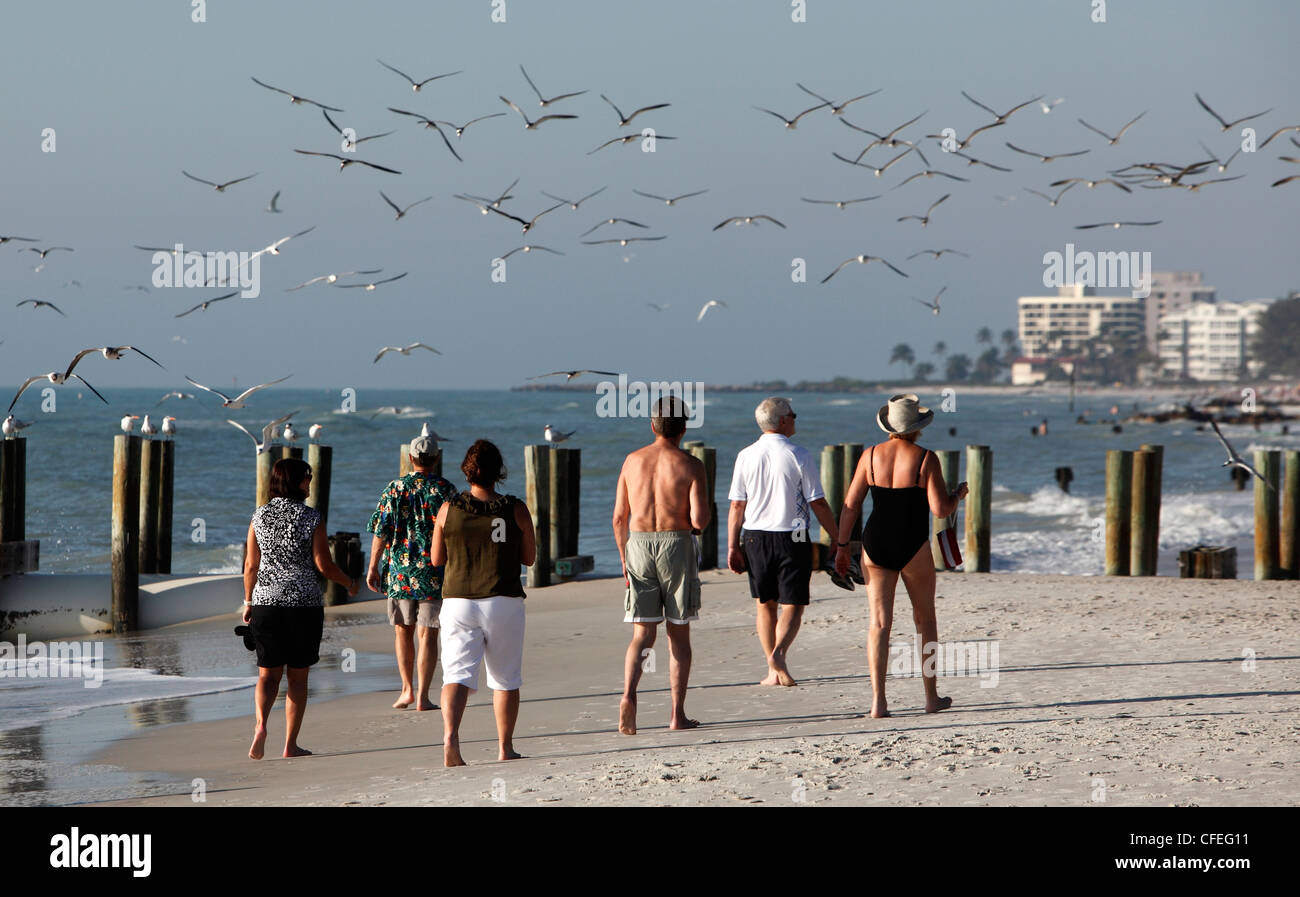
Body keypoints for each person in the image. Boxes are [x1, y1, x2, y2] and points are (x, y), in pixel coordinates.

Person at [834, 395, 967, 719]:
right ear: (918, 427)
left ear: (889, 424)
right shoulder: (925, 459)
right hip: (912, 544)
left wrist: (840, 547)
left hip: (875, 543)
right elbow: (939, 510)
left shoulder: (870, 456)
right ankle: (931, 697)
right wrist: (957, 496)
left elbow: (851, 505)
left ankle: (878, 702)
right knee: (926, 620)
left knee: (879, 623)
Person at [242, 457, 359, 760]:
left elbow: (251, 566)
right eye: (307, 477)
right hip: (303, 605)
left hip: (266, 602)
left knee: (267, 675)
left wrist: (249, 601)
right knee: (298, 676)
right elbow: (324, 565)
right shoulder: (311, 517)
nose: (310, 482)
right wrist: (348, 582)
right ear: (295, 481)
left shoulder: (259, 516)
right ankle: (290, 745)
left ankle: (260, 726)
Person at [431, 439, 536, 766]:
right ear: (498, 473)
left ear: (467, 471)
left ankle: (451, 738)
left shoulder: (448, 509)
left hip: (458, 600)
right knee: (505, 678)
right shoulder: (515, 508)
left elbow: (436, 558)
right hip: (502, 599)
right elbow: (529, 559)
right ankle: (505, 747)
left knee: (456, 675)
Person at [612, 396, 709, 735]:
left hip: (638, 544)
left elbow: (619, 518)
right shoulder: (691, 464)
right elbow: (699, 520)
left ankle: (628, 695)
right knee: (678, 634)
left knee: (642, 633)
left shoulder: (631, 461)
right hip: (676, 544)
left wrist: (625, 560)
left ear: (652, 426)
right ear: (684, 428)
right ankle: (676, 714)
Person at [727, 397, 839, 687]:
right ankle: (778, 655)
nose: (795, 418)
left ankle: (771, 669)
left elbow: (737, 506)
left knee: (765, 604)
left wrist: (731, 546)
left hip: (754, 537)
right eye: (793, 415)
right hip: (795, 535)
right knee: (794, 604)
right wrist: (838, 538)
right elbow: (818, 504)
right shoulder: (799, 454)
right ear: (782, 421)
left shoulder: (745, 455)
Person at [366, 435, 458, 711]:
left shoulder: (394, 489)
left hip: (400, 572)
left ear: (410, 458)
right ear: (437, 458)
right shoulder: (445, 489)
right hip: (434, 571)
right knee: (428, 633)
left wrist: (372, 566)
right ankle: (423, 696)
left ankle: (406, 690)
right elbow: (455, 532)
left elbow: (381, 531)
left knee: (402, 631)